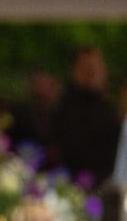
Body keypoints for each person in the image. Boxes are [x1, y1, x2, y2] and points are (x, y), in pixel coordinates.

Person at [51, 46, 120, 186]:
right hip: (76, 185)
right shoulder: (66, 107)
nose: (92, 73)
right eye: (86, 68)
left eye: (96, 68)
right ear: (75, 70)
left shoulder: (108, 106)